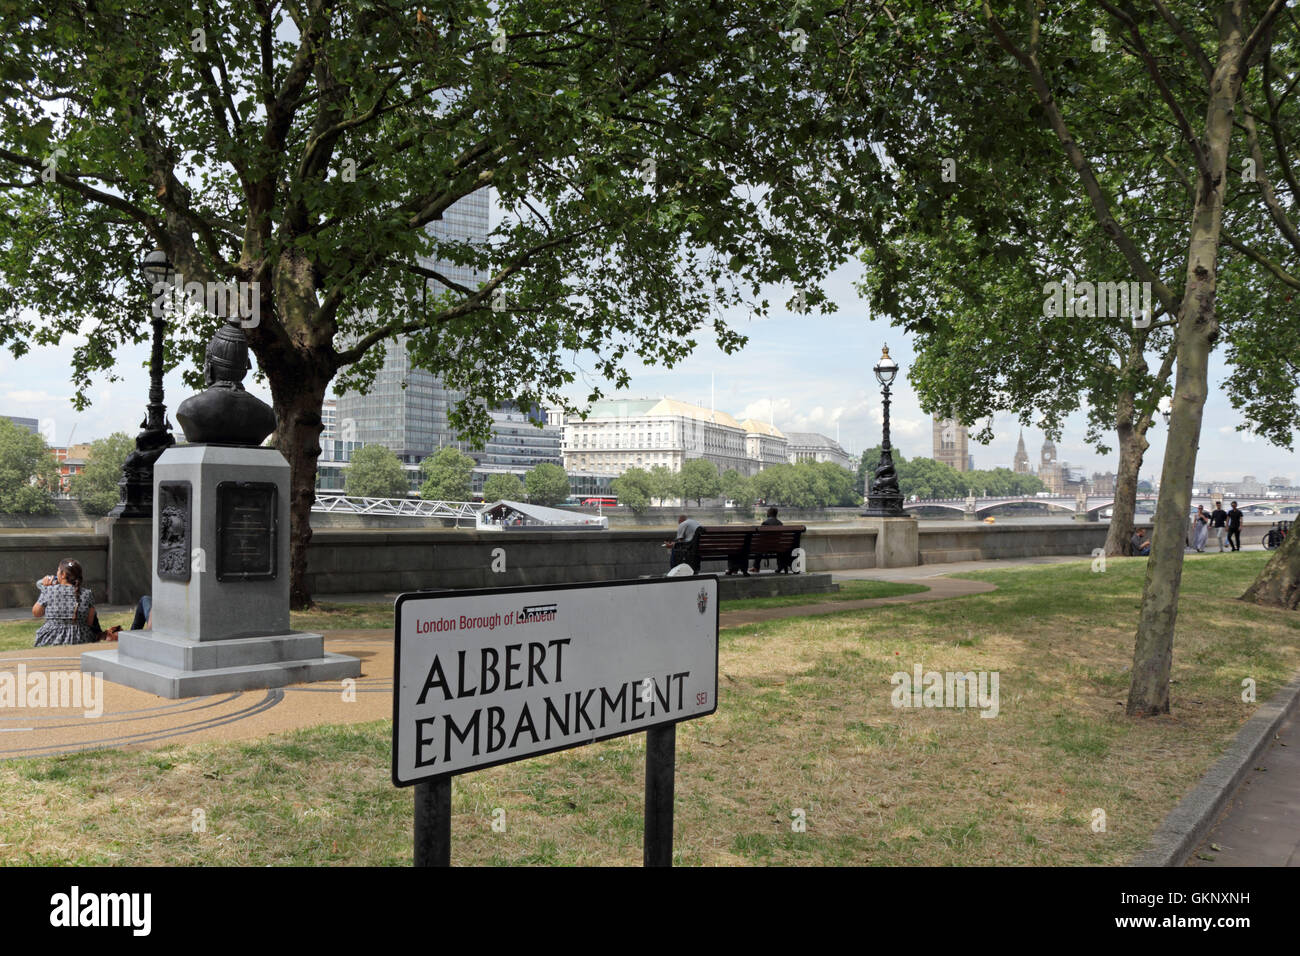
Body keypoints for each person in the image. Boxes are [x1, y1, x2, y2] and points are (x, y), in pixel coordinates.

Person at [32, 558, 98, 646]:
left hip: (52, 639)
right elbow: (89, 622)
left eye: (58, 570)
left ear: (63, 574)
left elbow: (36, 613)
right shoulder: (87, 594)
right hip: (82, 639)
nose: (56, 573)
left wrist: (45, 589)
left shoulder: (49, 591)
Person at [751, 506, 783, 573]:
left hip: (765, 547)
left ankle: (756, 567)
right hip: (777, 546)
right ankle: (780, 567)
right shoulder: (780, 524)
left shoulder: (765, 523)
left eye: (767, 512)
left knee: (759, 547)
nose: (767, 513)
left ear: (769, 513)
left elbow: (761, 537)